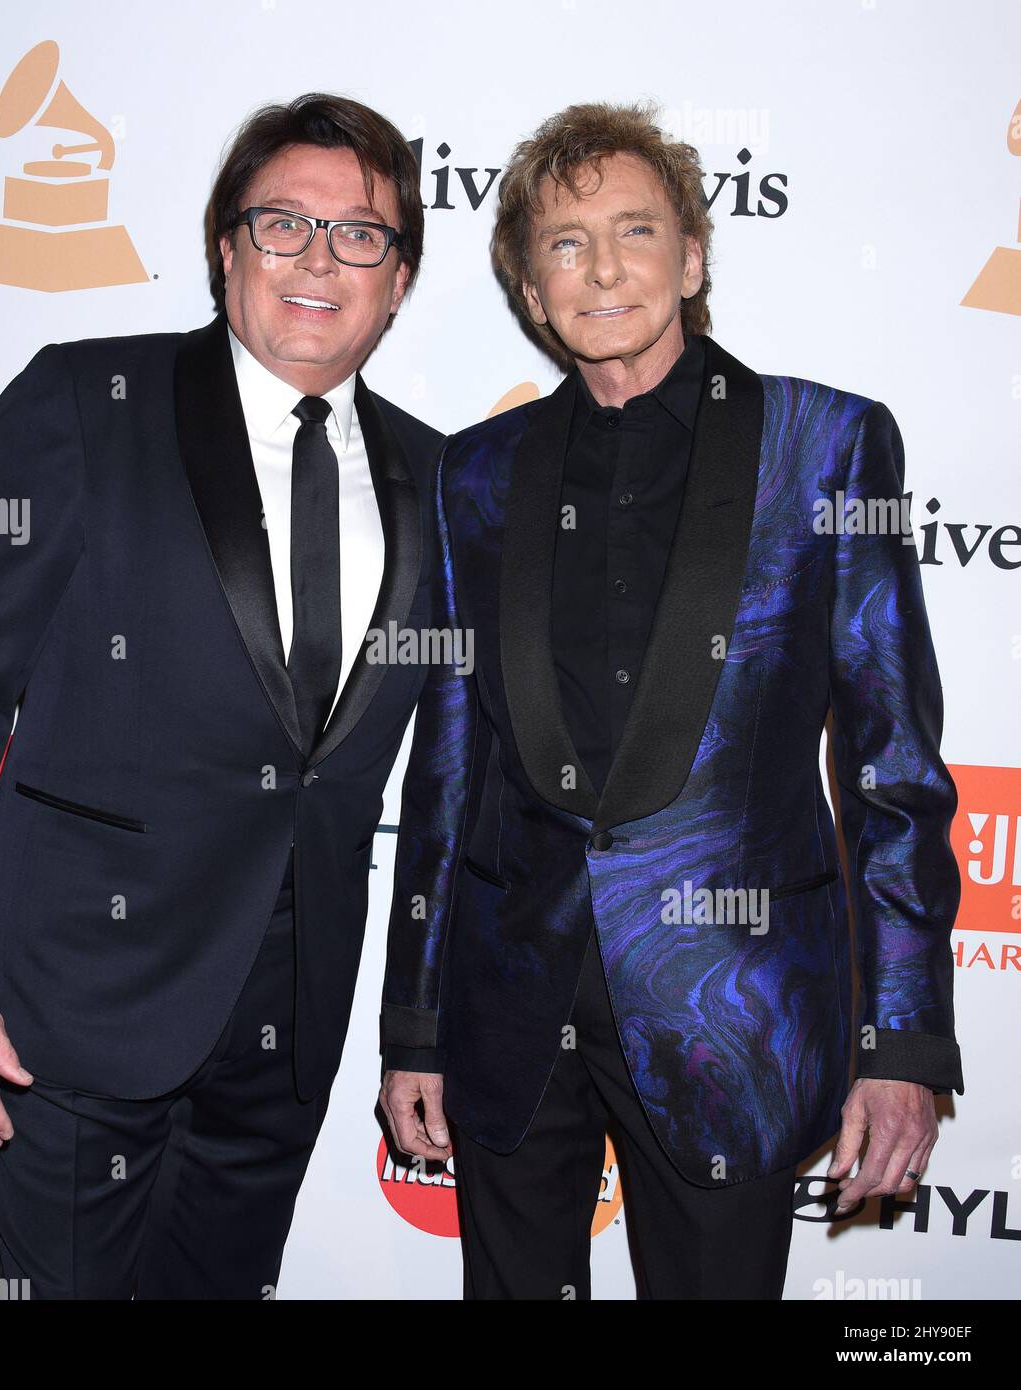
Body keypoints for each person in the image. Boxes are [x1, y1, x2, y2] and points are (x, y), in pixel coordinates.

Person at [379, 100, 963, 1300]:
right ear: (531, 291)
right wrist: (417, 1023)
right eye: (564, 242)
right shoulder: (472, 473)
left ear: (692, 257)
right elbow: (447, 761)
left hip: (730, 1007)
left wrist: (900, 1042)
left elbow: (891, 759)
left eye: (635, 230)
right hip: (510, 1005)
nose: (602, 267)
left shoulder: (828, 445)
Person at [0, 92, 441, 1299]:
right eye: (282, 223)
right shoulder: (82, 403)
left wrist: (421, 1022)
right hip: (72, 1003)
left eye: (360, 235)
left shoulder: (441, 478)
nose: (318, 259)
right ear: (226, 246)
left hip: (285, 1030)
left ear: (399, 280)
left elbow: (450, 780)